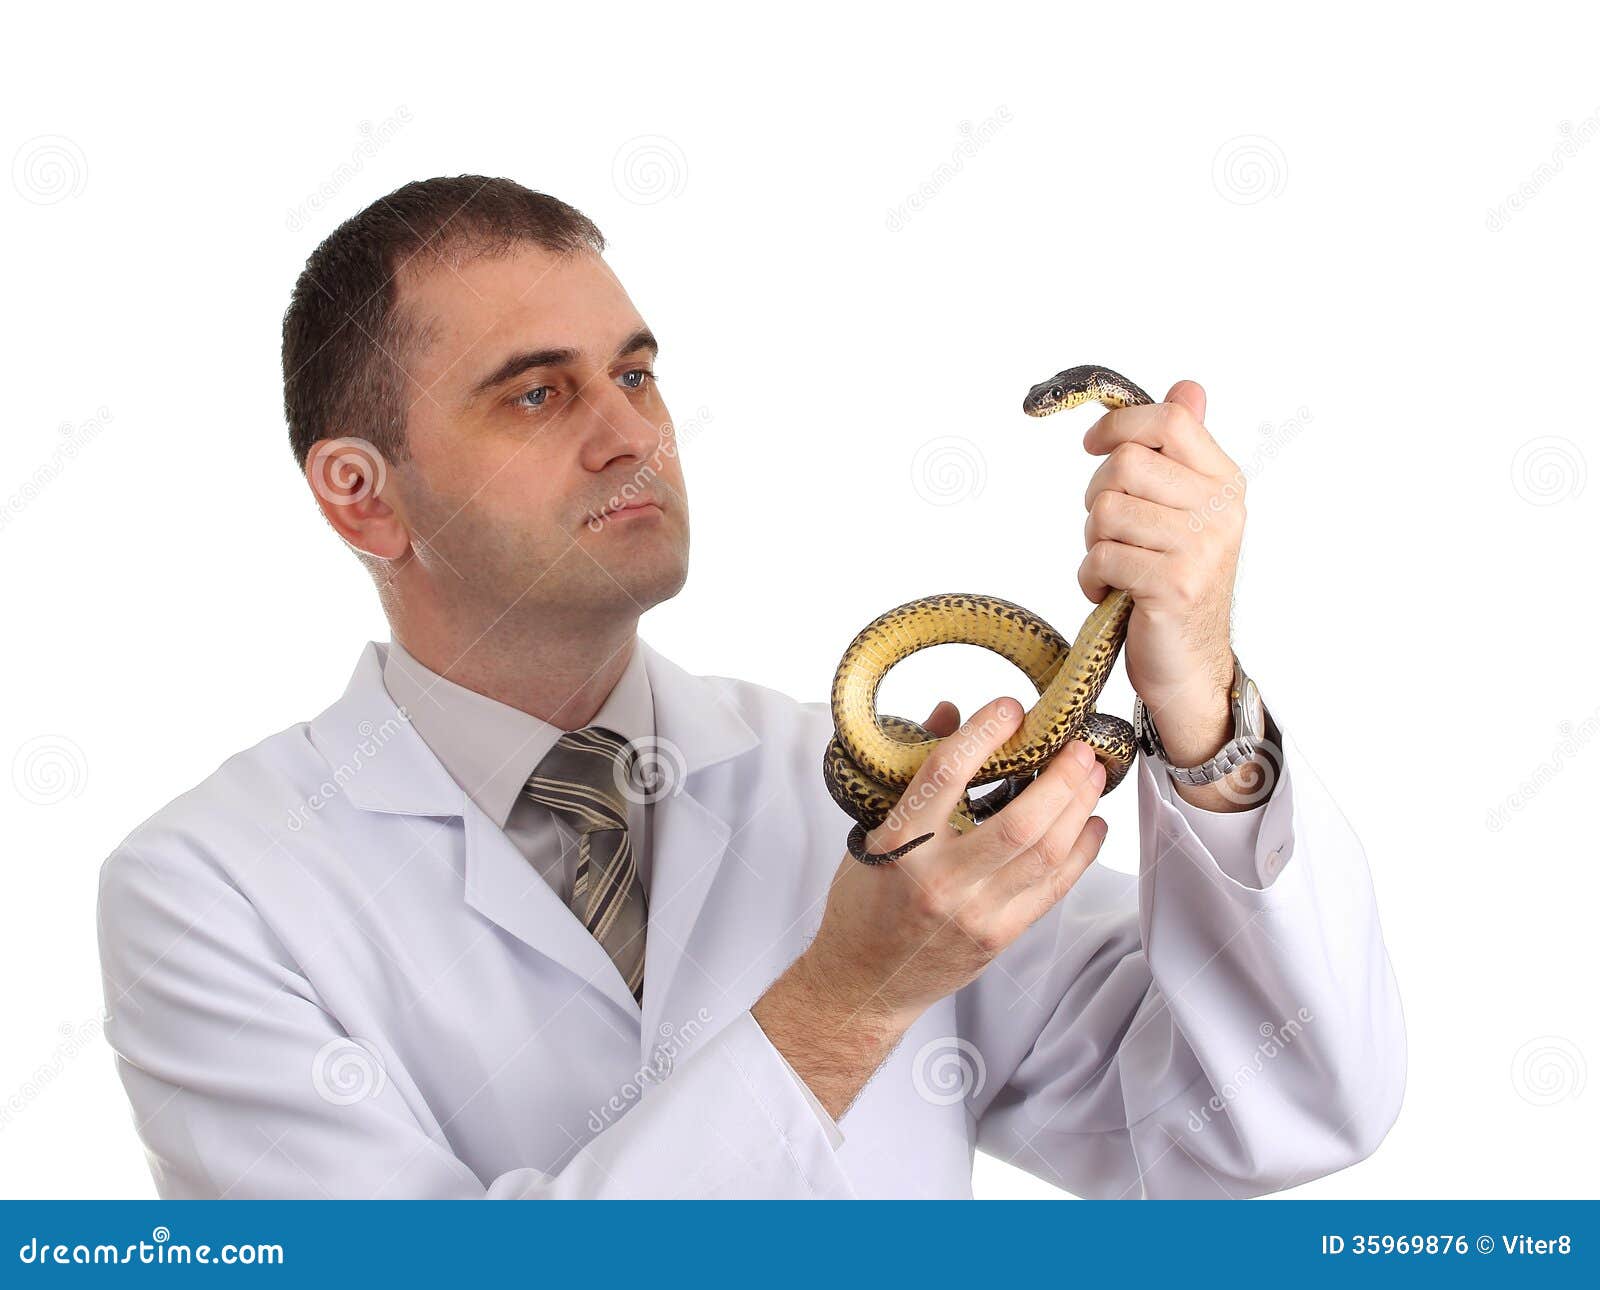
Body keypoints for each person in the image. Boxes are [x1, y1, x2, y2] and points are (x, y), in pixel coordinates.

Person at [96, 175, 1405, 1199]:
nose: (631, 434)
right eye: (538, 393)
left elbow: (1272, 1113)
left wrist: (1200, 711)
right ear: (362, 496)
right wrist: (850, 999)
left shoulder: (840, 791)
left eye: (636, 372)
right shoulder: (210, 890)